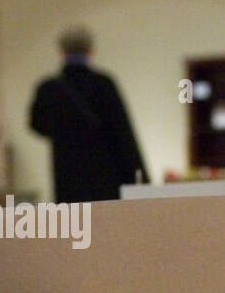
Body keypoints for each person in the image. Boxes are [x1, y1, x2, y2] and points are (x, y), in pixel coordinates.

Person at [28, 27, 148, 203]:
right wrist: (140, 177)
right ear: (91, 50)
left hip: (67, 174)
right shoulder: (103, 84)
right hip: (105, 175)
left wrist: (64, 133)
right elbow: (123, 133)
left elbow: (37, 125)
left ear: (61, 51)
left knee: (75, 226)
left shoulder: (49, 88)